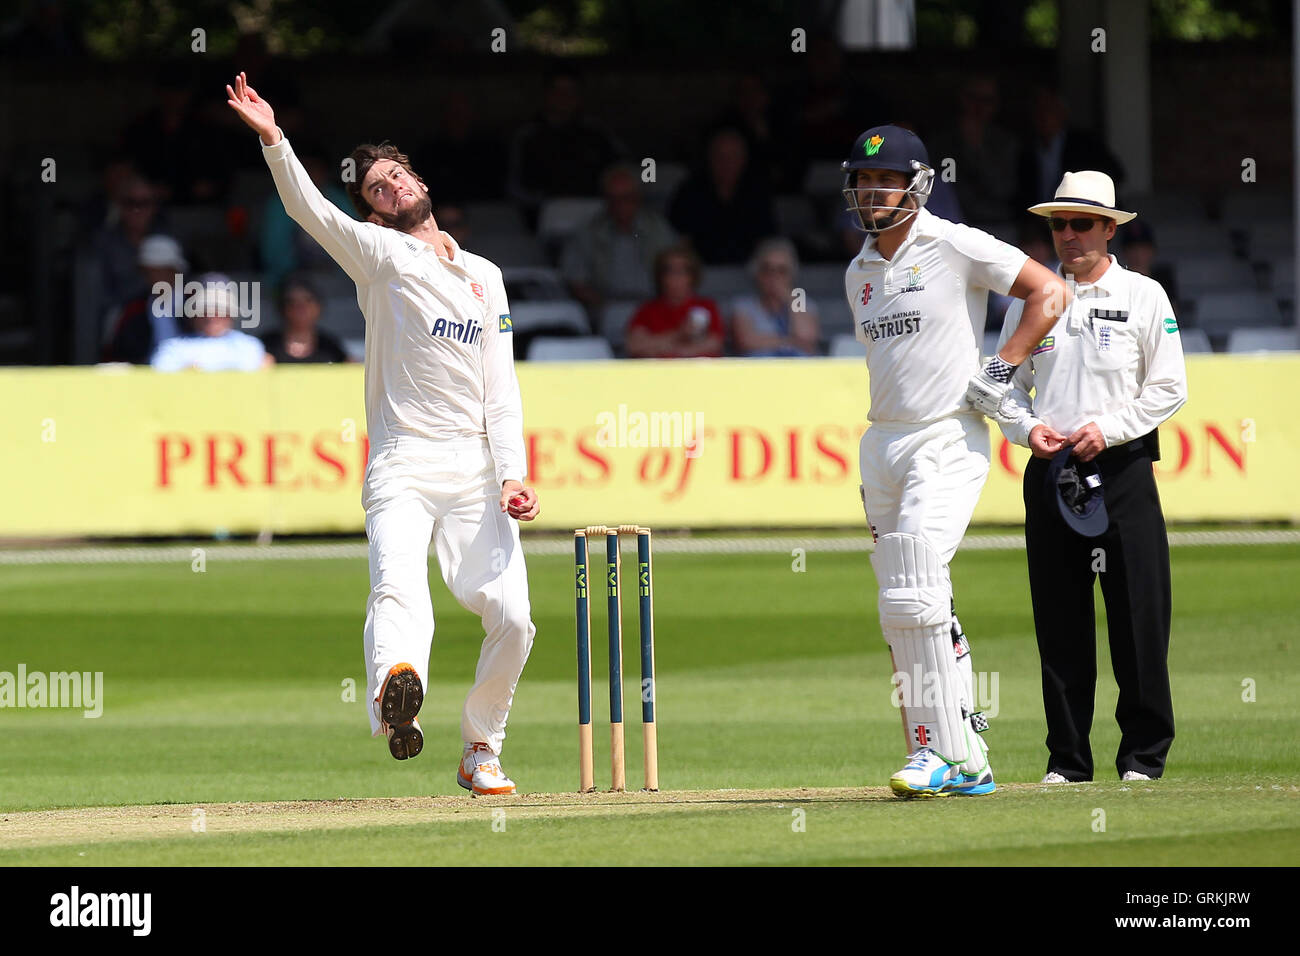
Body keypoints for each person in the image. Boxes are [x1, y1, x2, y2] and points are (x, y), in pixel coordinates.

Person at [227, 72, 539, 796]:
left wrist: (513, 473)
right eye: (375, 188)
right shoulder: (377, 254)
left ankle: (481, 747)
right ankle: (397, 690)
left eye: (396, 176)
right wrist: (275, 139)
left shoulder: (487, 276)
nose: (390, 187)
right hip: (401, 462)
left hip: (474, 467)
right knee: (398, 587)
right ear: (371, 212)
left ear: (420, 182)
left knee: (516, 620)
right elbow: (307, 209)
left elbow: (503, 387)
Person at [842, 124, 1069, 798]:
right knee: (903, 602)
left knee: (913, 584)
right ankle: (966, 756)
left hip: (946, 437)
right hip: (882, 441)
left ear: (916, 185)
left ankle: (937, 753)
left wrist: (1001, 369)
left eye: (884, 180)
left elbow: (1048, 293)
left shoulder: (953, 243)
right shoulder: (859, 270)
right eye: (862, 179)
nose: (870, 190)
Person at [994, 171, 1187, 784]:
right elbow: (1001, 384)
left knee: (1139, 615)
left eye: (1082, 223)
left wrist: (1111, 428)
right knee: (1059, 618)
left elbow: (1170, 387)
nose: (1069, 235)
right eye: (1059, 224)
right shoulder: (1036, 299)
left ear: (1110, 228)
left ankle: (1143, 757)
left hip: (1122, 467)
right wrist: (1028, 432)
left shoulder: (1145, 295)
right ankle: (1068, 761)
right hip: (1052, 470)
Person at [560, 164, 677, 326]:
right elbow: (575, 281)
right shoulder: (588, 231)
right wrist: (605, 306)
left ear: (638, 198)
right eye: (613, 199)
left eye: (627, 198)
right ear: (605, 200)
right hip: (604, 310)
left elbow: (677, 273)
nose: (620, 205)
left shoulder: (658, 229)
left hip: (655, 307)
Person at [150, 272, 272, 372]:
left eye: (219, 310)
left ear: (231, 314)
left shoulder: (250, 346)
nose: (211, 317)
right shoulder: (172, 348)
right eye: (204, 310)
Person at [625, 244, 725, 359]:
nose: (675, 277)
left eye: (682, 271)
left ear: (692, 276)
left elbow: (715, 344)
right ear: (660, 277)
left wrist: (669, 351)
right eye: (670, 271)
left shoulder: (707, 306)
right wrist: (679, 333)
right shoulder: (647, 310)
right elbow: (635, 346)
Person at [730, 237, 821, 357]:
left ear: (792, 274)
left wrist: (790, 297)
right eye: (767, 269)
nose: (774, 276)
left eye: (782, 270)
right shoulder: (743, 305)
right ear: (757, 272)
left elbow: (807, 337)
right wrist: (792, 341)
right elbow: (746, 341)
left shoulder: (801, 301)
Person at [260, 273, 348, 364]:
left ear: (318, 307)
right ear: (283, 308)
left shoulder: (330, 346)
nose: (301, 308)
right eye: (292, 302)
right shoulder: (267, 344)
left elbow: (351, 368)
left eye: (308, 301)